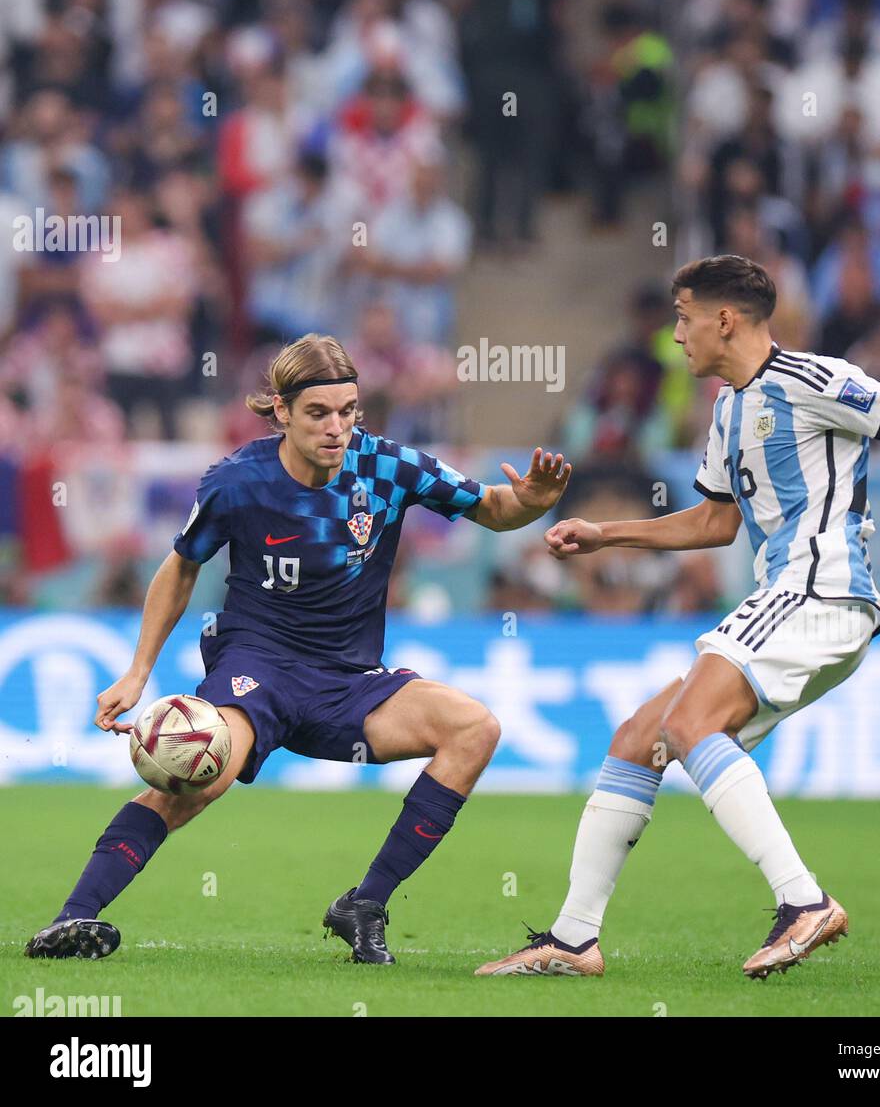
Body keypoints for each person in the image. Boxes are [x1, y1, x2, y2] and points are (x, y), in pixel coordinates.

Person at [476, 255, 880, 980]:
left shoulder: (812, 378)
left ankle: (803, 901)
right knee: (638, 738)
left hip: (816, 592)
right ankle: (573, 939)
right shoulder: (730, 407)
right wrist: (607, 534)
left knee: (688, 724)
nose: (675, 335)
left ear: (723, 319)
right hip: (784, 600)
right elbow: (711, 524)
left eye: (683, 316)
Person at [25, 333, 572, 966]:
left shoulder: (391, 468)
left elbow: (495, 508)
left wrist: (530, 502)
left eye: (348, 412)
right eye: (318, 413)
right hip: (256, 669)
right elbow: (178, 569)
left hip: (349, 683)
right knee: (197, 778)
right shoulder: (238, 482)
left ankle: (364, 904)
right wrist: (137, 671)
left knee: (475, 729)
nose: (336, 427)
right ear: (282, 412)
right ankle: (72, 920)